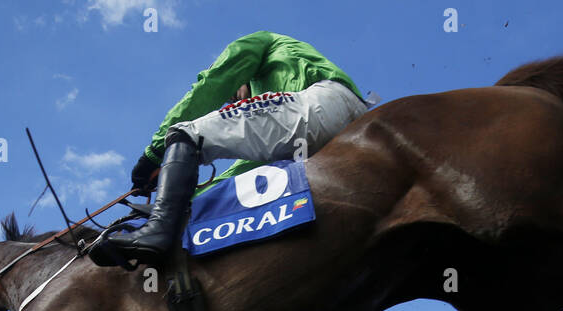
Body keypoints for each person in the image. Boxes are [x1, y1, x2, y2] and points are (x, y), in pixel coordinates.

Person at [93, 31, 367, 266]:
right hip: (335, 129)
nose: (233, 100)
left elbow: (209, 87)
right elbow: (244, 173)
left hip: (326, 103)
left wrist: (154, 154)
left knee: (186, 133)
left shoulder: (260, 42)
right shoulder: (277, 113)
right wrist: (188, 198)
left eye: (234, 94)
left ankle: (157, 234)